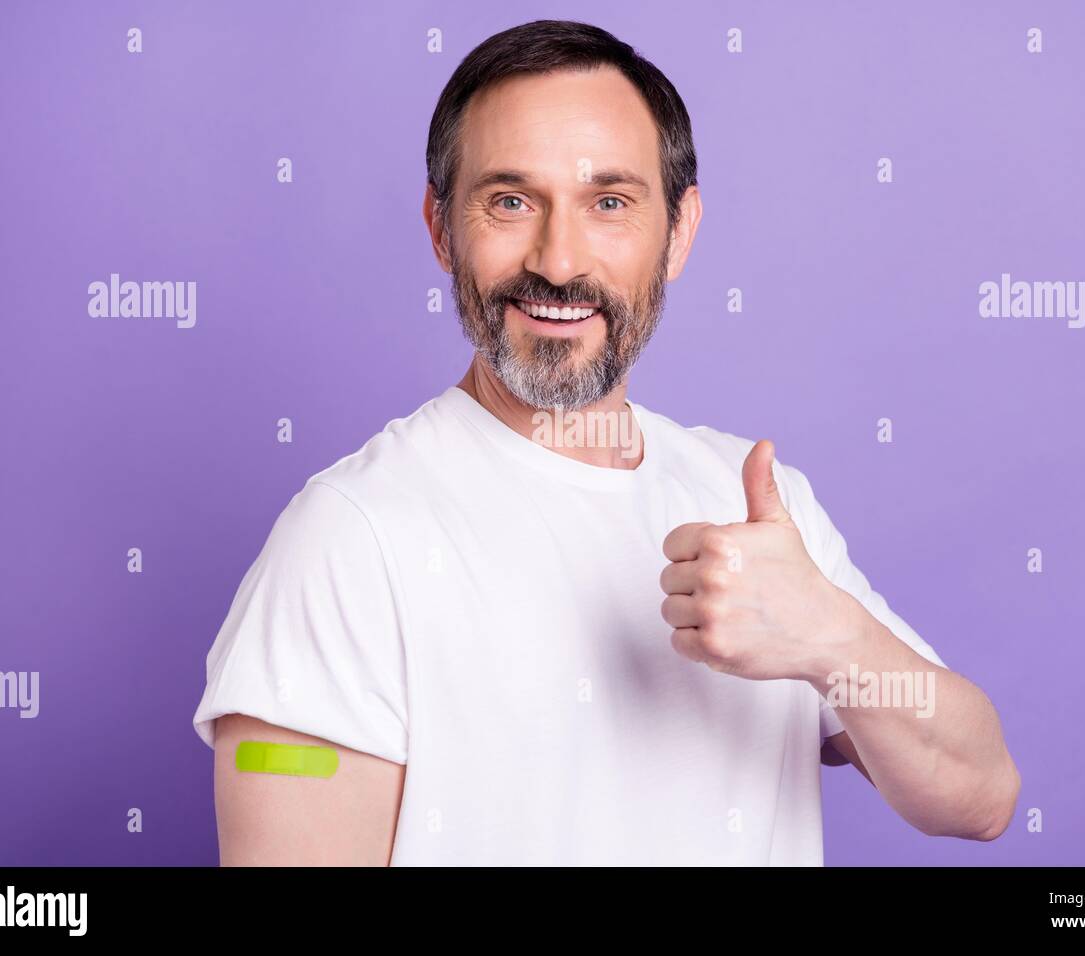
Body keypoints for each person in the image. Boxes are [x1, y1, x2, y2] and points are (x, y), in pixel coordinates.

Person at [192, 19, 1020, 866]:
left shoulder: (759, 512)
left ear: (680, 232)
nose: (558, 262)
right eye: (510, 201)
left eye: (610, 203)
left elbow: (980, 796)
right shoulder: (349, 539)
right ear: (441, 229)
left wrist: (832, 637)